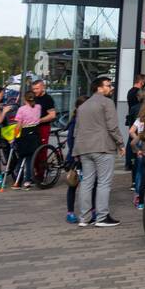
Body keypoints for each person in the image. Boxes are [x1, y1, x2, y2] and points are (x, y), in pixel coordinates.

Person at [74, 76, 123, 227]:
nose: (111, 88)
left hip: (84, 148)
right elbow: (112, 127)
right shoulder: (107, 103)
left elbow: (77, 130)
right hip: (102, 147)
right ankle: (102, 217)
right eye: (108, 85)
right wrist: (120, 143)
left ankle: (84, 217)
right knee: (103, 182)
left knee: (87, 182)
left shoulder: (83, 106)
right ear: (99, 88)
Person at [11, 88, 42, 189]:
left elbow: (18, 125)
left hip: (25, 134)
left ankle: (20, 178)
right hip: (35, 133)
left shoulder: (21, 110)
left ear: (25, 99)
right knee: (30, 158)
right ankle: (27, 180)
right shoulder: (38, 107)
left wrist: (14, 137)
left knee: (22, 156)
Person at [64, 94, 88, 223]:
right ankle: (70, 212)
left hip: (84, 156)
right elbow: (71, 141)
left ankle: (89, 210)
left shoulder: (86, 120)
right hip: (76, 158)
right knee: (73, 185)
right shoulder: (75, 121)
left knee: (88, 185)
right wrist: (76, 155)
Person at [124, 73, 145, 172]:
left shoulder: (130, 91)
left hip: (132, 117)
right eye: (144, 81)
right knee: (138, 139)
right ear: (141, 81)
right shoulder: (139, 92)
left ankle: (129, 162)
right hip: (139, 119)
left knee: (131, 140)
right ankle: (135, 160)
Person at [31, 79, 58, 148]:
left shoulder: (48, 99)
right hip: (32, 128)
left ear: (43, 87)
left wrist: (38, 120)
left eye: (37, 88)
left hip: (43, 127)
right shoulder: (33, 97)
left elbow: (52, 115)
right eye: (33, 89)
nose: (35, 91)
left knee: (42, 149)